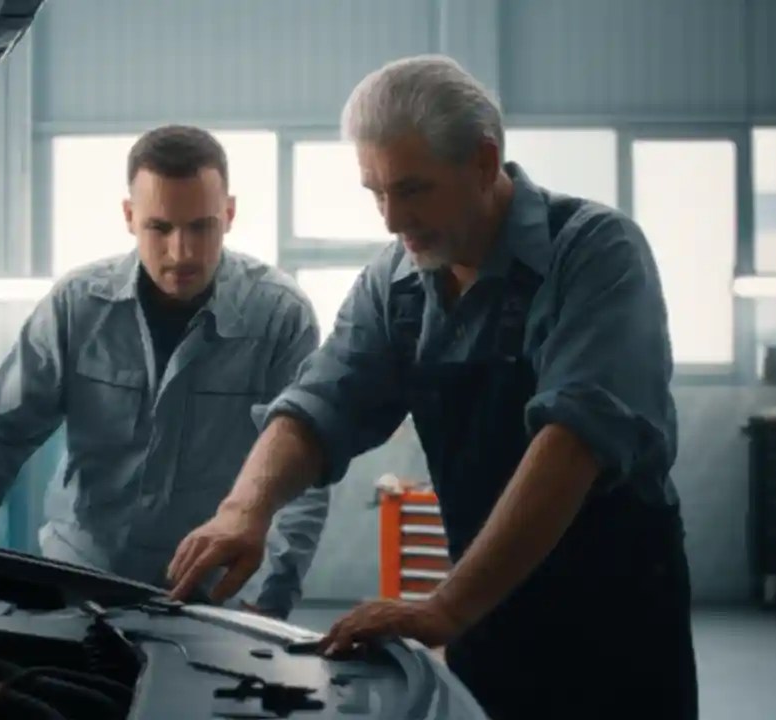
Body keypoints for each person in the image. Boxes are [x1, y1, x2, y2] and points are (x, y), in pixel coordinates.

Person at [166, 56, 698, 719]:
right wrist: (245, 509)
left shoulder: (594, 252)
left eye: (413, 190)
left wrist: (447, 605)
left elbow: (573, 443)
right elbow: (321, 401)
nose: (391, 220)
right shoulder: (397, 284)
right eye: (376, 193)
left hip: (613, 613)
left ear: (483, 160)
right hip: (488, 607)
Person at [0, 125, 330, 620]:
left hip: (216, 596)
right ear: (129, 217)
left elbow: (302, 470)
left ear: (230, 214)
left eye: (202, 227)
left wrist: (268, 603)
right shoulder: (76, 308)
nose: (182, 253)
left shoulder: (280, 317)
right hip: (80, 581)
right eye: (160, 228)